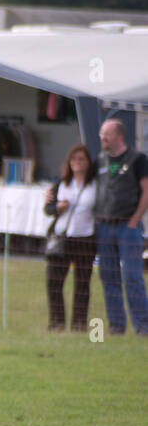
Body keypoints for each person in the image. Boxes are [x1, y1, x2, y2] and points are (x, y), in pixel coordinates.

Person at [92, 118, 148, 336]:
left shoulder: (138, 160)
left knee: (132, 276)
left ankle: (143, 325)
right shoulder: (99, 161)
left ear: (119, 136)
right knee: (108, 275)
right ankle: (116, 325)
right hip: (105, 225)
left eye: (107, 134)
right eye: (101, 134)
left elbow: (146, 190)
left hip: (127, 226)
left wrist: (135, 219)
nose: (103, 139)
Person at [42, 144, 98, 332]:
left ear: (88, 162)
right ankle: (56, 322)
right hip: (62, 238)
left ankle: (79, 324)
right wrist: (58, 207)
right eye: (74, 159)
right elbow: (48, 209)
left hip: (86, 238)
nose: (77, 163)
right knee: (54, 282)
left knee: (82, 283)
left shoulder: (95, 184)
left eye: (81, 159)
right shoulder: (62, 183)